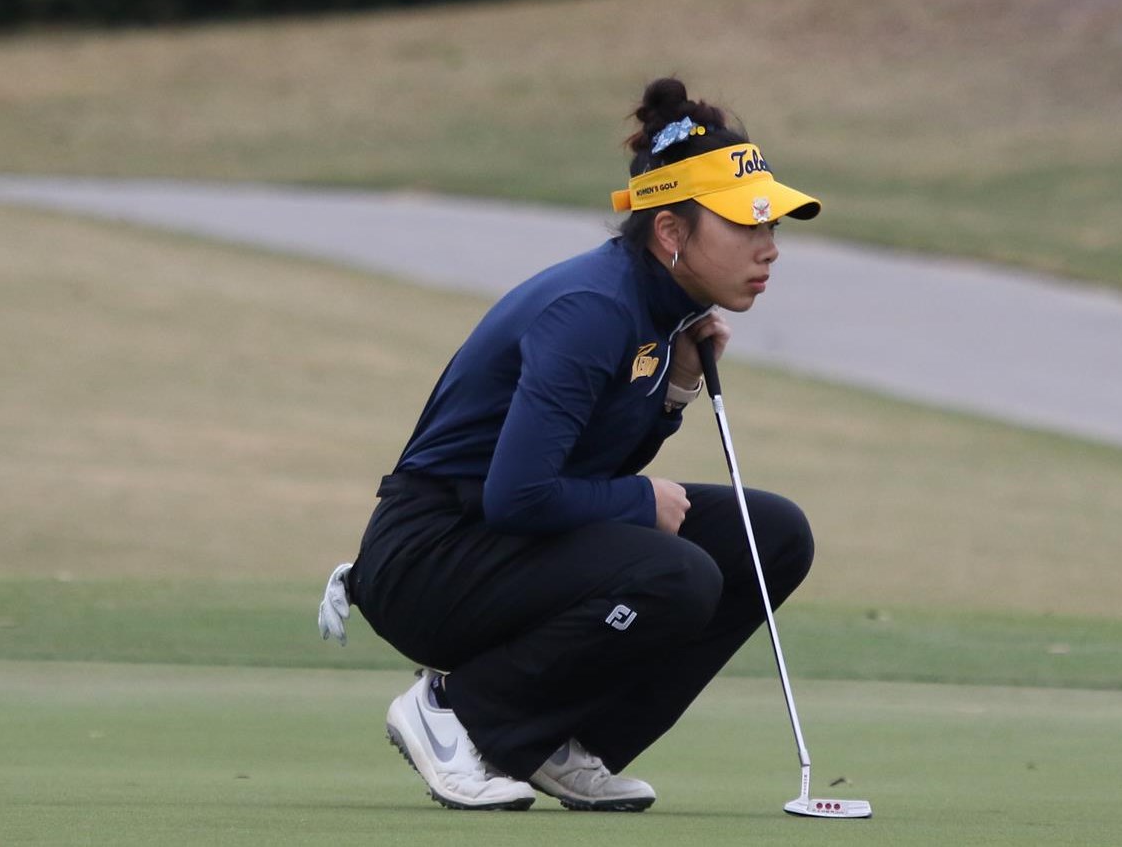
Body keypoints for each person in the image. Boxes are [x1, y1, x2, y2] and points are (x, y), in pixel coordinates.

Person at [316, 77, 823, 812]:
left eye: (772, 226)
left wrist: (674, 389)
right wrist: (638, 499)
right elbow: (519, 494)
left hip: (496, 544)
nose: (769, 249)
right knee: (676, 572)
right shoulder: (592, 308)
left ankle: (562, 742)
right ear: (671, 232)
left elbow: (581, 467)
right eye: (747, 227)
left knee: (768, 535)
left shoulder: (657, 310)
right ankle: (458, 712)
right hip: (430, 556)